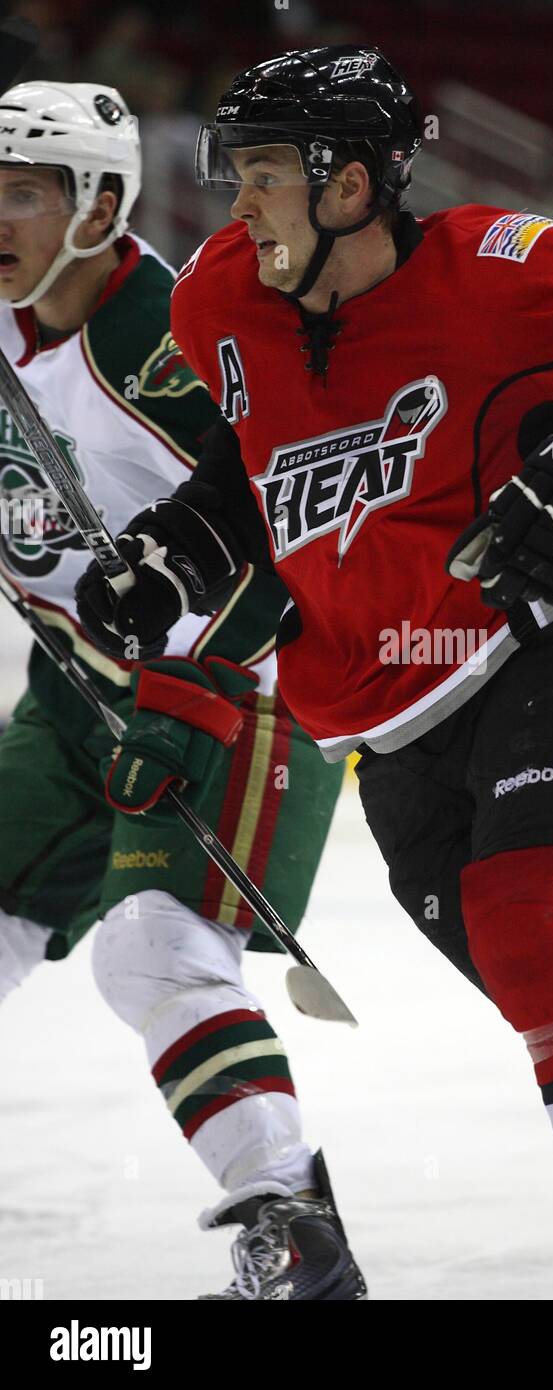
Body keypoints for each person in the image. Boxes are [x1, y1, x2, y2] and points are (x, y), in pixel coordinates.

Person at [77, 45, 553, 1301]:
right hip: (390, 743)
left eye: (265, 173)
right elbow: (254, 462)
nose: (237, 204)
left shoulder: (505, 266)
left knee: (535, 924)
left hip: (547, 652)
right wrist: (180, 549)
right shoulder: (224, 295)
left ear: (349, 186)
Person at [0, 80, 364, 1300]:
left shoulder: (166, 343)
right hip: (78, 681)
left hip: (244, 681)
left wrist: (191, 694)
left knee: (154, 949)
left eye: (22, 194)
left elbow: (294, 525)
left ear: (100, 206)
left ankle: (295, 1233)